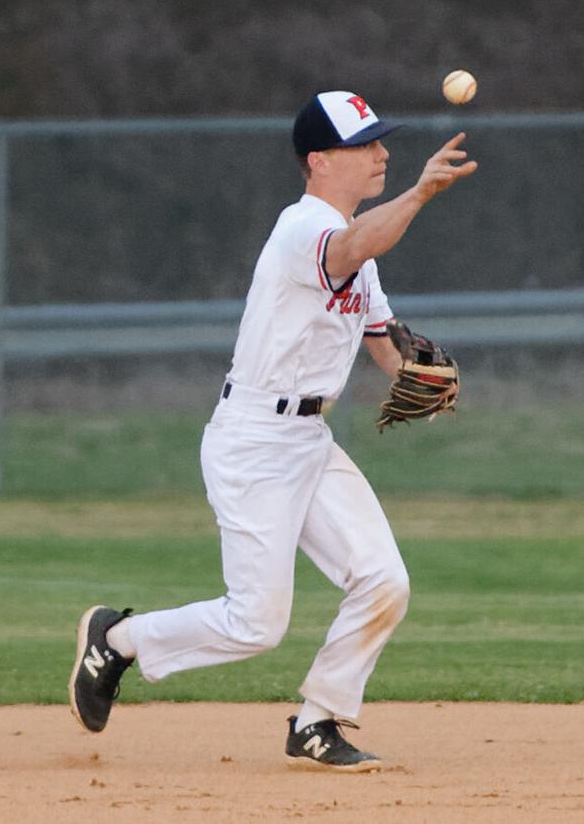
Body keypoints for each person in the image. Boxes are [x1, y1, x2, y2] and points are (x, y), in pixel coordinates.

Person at [69, 90, 477, 771]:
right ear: (317, 161)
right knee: (256, 622)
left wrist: (422, 374)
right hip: (254, 439)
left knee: (383, 580)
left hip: (309, 441)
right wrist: (419, 194)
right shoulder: (302, 229)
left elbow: (384, 344)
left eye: (382, 142)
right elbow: (348, 245)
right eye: (364, 145)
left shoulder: (360, 258)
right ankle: (118, 641)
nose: (382, 153)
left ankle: (319, 719)